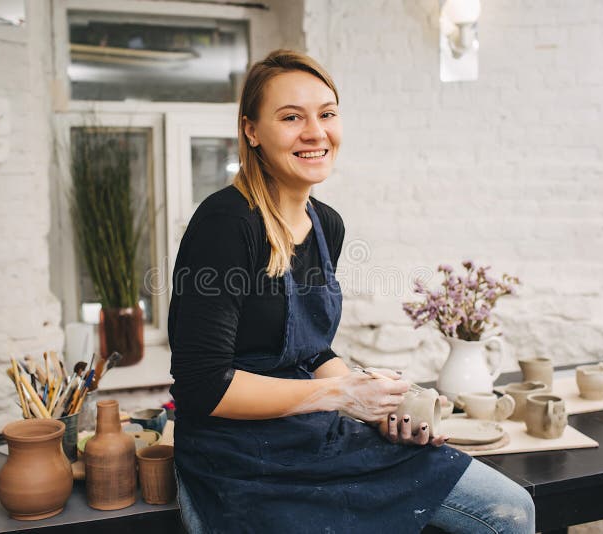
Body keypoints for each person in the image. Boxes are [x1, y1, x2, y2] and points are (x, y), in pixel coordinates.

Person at [169, 49, 535, 534]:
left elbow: (310, 347)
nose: (315, 132)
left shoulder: (326, 224)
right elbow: (203, 385)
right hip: (239, 462)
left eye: (327, 114)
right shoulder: (226, 223)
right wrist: (339, 394)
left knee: (508, 510)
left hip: (312, 436)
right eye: (291, 117)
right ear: (251, 131)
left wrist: (379, 404)